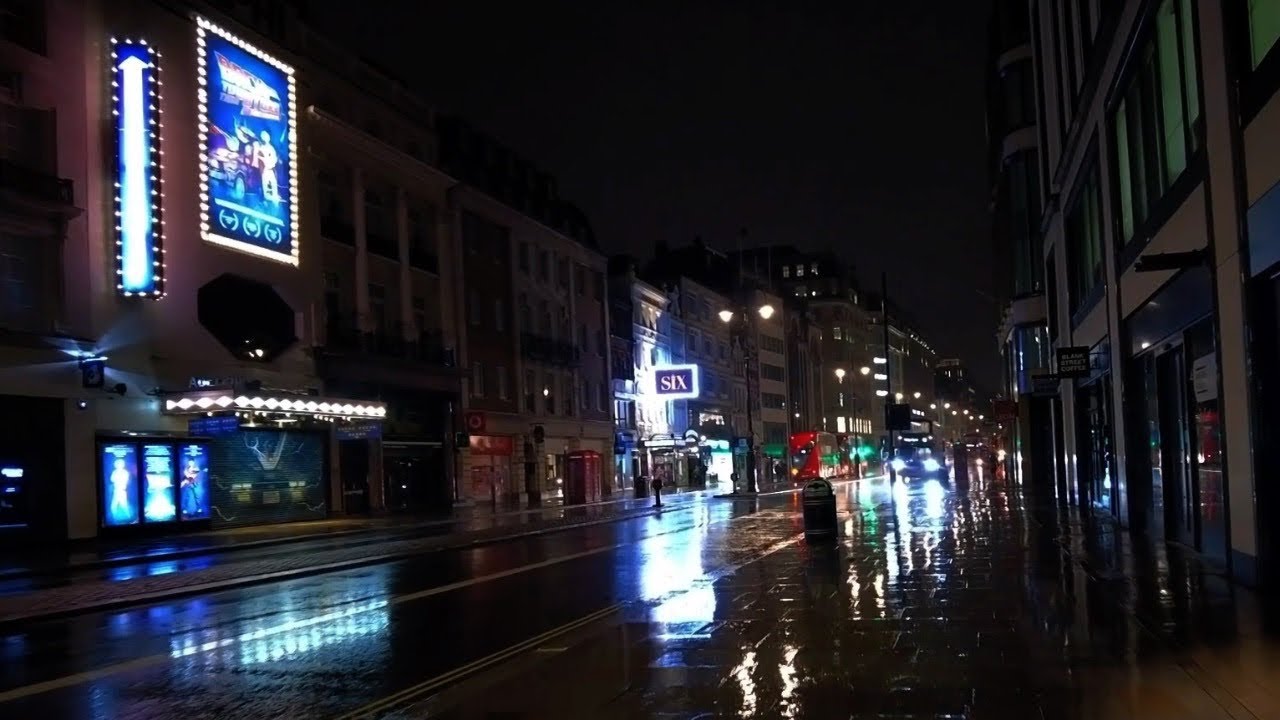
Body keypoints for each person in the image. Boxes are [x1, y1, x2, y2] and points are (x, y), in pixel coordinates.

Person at [254, 129, 281, 203]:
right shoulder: (260, 148)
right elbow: (257, 160)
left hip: (271, 170)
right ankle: (266, 199)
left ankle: (274, 200)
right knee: (266, 186)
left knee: (273, 185)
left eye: (266, 135)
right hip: (265, 171)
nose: (264, 137)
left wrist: (270, 161)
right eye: (263, 135)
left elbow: (274, 160)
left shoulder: (272, 148)